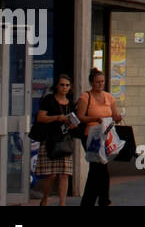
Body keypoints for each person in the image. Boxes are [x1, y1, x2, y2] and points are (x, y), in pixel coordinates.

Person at [76, 68, 122, 206]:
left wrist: (117, 118)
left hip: (106, 135)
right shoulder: (85, 97)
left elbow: (114, 115)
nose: (100, 84)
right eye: (97, 82)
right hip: (91, 135)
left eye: (102, 81)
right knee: (98, 167)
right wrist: (96, 118)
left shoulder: (109, 97)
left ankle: (93, 201)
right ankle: (103, 200)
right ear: (91, 82)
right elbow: (80, 117)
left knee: (98, 169)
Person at [35, 74, 75, 206]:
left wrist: (72, 124)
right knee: (50, 175)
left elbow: (74, 121)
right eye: (62, 85)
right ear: (57, 86)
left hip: (65, 141)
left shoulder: (70, 103)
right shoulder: (49, 99)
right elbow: (40, 118)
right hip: (49, 141)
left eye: (67, 85)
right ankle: (45, 198)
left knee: (64, 174)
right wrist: (57, 117)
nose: (64, 87)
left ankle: (62, 204)